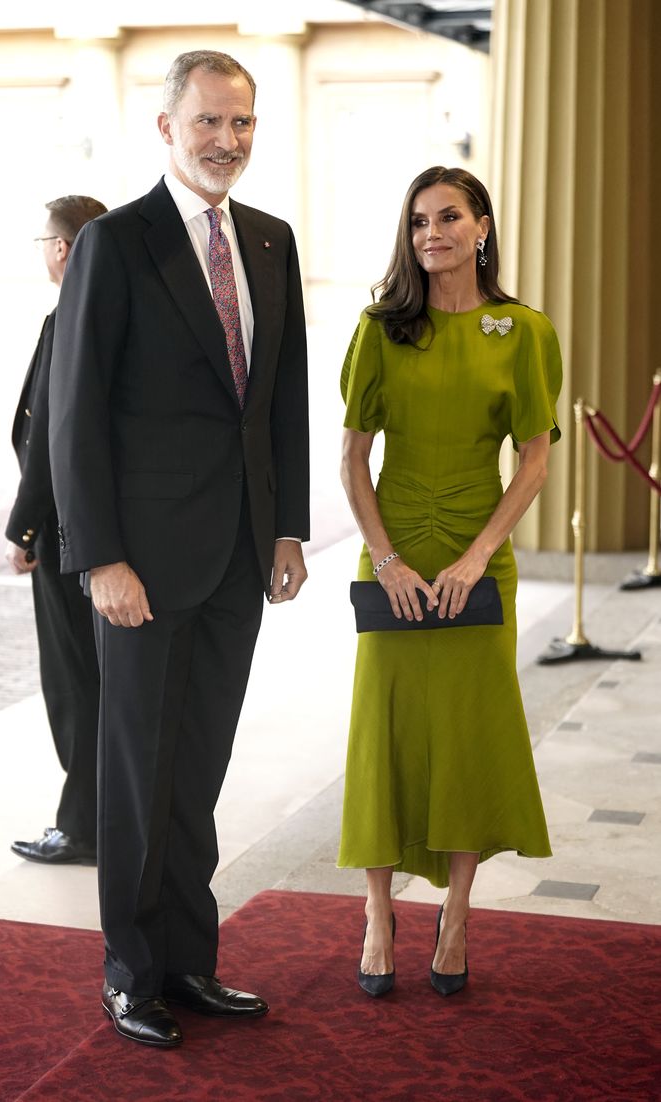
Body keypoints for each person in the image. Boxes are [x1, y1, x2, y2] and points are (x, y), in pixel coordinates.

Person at [48, 50, 309, 1047]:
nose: (228, 141)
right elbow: (75, 417)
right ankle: (129, 971)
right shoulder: (118, 243)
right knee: (134, 772)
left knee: (197, 765)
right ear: (166, 127)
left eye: (242, 123)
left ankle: (190, 960)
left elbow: (278, 396)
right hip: (141, 570)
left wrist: (284, 527)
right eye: (208, 122)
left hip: (240, 554)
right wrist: (99, 556)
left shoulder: (273, 244)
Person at [337, 166, 561, 998]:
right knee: (384, 731)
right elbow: (352, 460)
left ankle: (459, 913)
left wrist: (476, 556)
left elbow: (534, 461)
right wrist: (389, 558)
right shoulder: (380, 328)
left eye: (449, 217)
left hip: (479, 558)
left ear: (483, 227)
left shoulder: (524, 329)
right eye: (419, 220)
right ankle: (376, 910)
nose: (432, 232)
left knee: (467, 735)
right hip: (391, 553)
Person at [6, 195, 107, 865]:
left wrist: (24, 527)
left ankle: (80, 826)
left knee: (76, 684)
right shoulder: (111, 315)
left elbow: (51, 438)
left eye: (44, 239)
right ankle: (101, 817)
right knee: (100, 681)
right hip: (98, 529)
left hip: (66, 532)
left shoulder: (68, 318)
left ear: (64, 248)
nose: (42, 250)